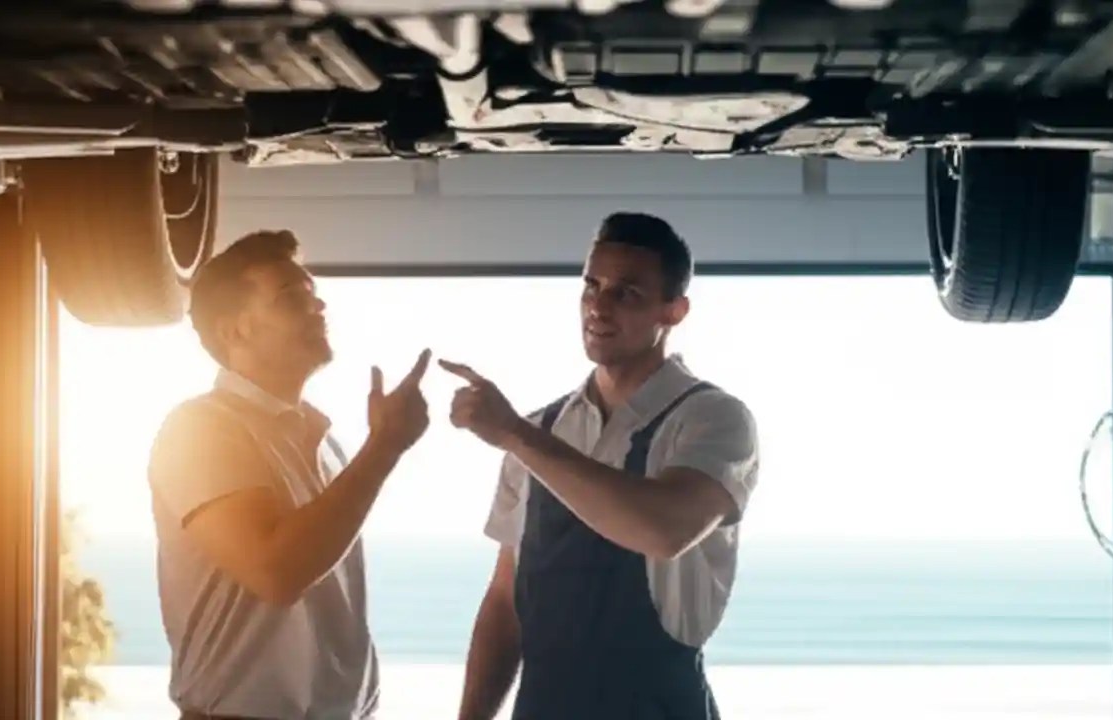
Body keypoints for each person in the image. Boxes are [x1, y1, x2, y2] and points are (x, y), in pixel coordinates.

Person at [444, 212, 760, 720]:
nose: (598, 306)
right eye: (591, 286)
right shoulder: (538, 431)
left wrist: (515, 437)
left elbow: (665, 529)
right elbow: (506, 603)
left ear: (674, 311)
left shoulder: (713, 419)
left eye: (626, 293)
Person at [146, 229, 431, 720]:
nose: (318, 309)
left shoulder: (327, 445)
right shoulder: (199, 428)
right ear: (234, 331)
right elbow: (276, 573)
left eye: (315, 297)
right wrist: (384, 448)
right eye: (293, 299)